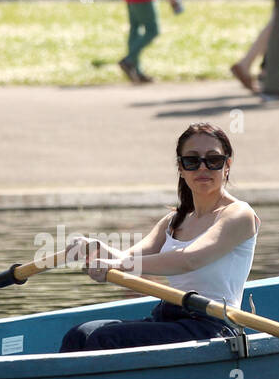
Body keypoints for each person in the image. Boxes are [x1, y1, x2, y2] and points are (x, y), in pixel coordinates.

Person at [59, 123, 260, 352]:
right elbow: (129, 257)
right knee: (80, 334)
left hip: (213, 327)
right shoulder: (175, 220)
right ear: (181, 168)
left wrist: (119, 264)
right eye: (192, 161)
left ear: (227, 165)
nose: (202, 168)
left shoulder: (239, 214)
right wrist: (94, 248)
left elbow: (189, 260)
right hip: (169, 317)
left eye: (213, 160)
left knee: (104, 340)